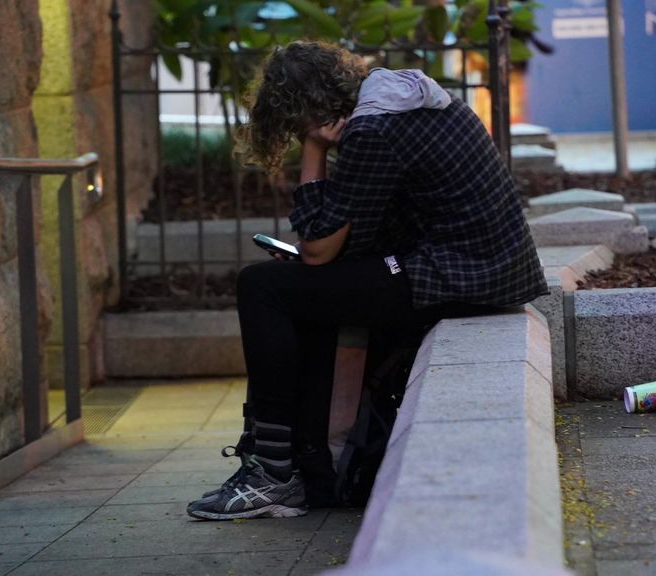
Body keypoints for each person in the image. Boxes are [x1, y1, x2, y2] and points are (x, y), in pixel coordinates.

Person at [186, 41, 547, 521]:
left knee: (262, 287)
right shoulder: (402, 100)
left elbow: (318, 248)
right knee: (294, 288)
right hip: (478, 270)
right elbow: (350, 237)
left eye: (294, 126)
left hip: (456, 278)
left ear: (302, 111)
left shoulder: (373, 129)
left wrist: (313, 149)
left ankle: (272, 472)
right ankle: (292, 463)